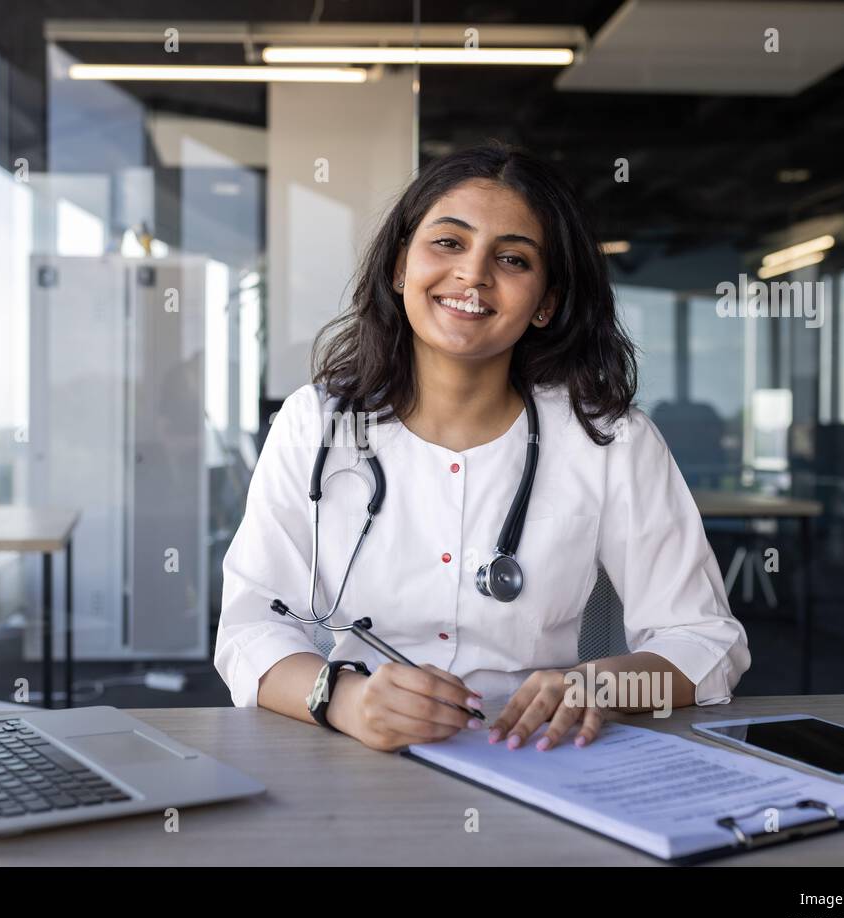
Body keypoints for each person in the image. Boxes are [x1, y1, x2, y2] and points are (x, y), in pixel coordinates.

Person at [214, 141, 750, 753]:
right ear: (399, 267)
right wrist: (346, 699)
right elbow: (249, 629)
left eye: (514, 259)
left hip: (538, 755)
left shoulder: (610, 439)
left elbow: (709, 644)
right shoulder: (316, 425)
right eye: (448, 242)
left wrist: (599, 686)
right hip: (354, 755)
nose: (473, 274)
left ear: (546, 301)